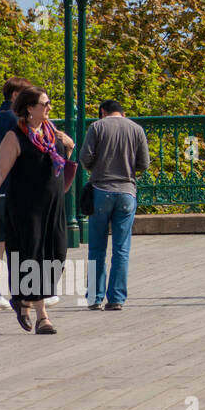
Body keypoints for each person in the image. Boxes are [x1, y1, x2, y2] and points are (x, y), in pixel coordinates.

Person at [0, 87, 73, 333]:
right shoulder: (15, 137)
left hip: (53, 206)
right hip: (26, 209)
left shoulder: (54, 135)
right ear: (29, 108)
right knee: (33, 259)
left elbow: (61, 167)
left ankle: (22, 299)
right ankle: (42, 317)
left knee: (58, 256)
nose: (49, 107)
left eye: (49, 103)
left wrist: (68, 148)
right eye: (44, 104)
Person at [80, 99, 150, 311]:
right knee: (121, 249)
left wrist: (96, 167)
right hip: (127, 192)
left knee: (97, 248)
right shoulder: (136, 129)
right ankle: (117, 298)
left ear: (103, 111)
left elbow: (85, 158)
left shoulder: (97, 127)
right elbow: (144, 163)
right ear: (122, 112)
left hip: (101, 190)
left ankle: (94, 297)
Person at [0, 76, 33, 311]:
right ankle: (27, 292)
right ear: (17, 96)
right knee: (21, 244)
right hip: (14, 191)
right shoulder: (19, 122)